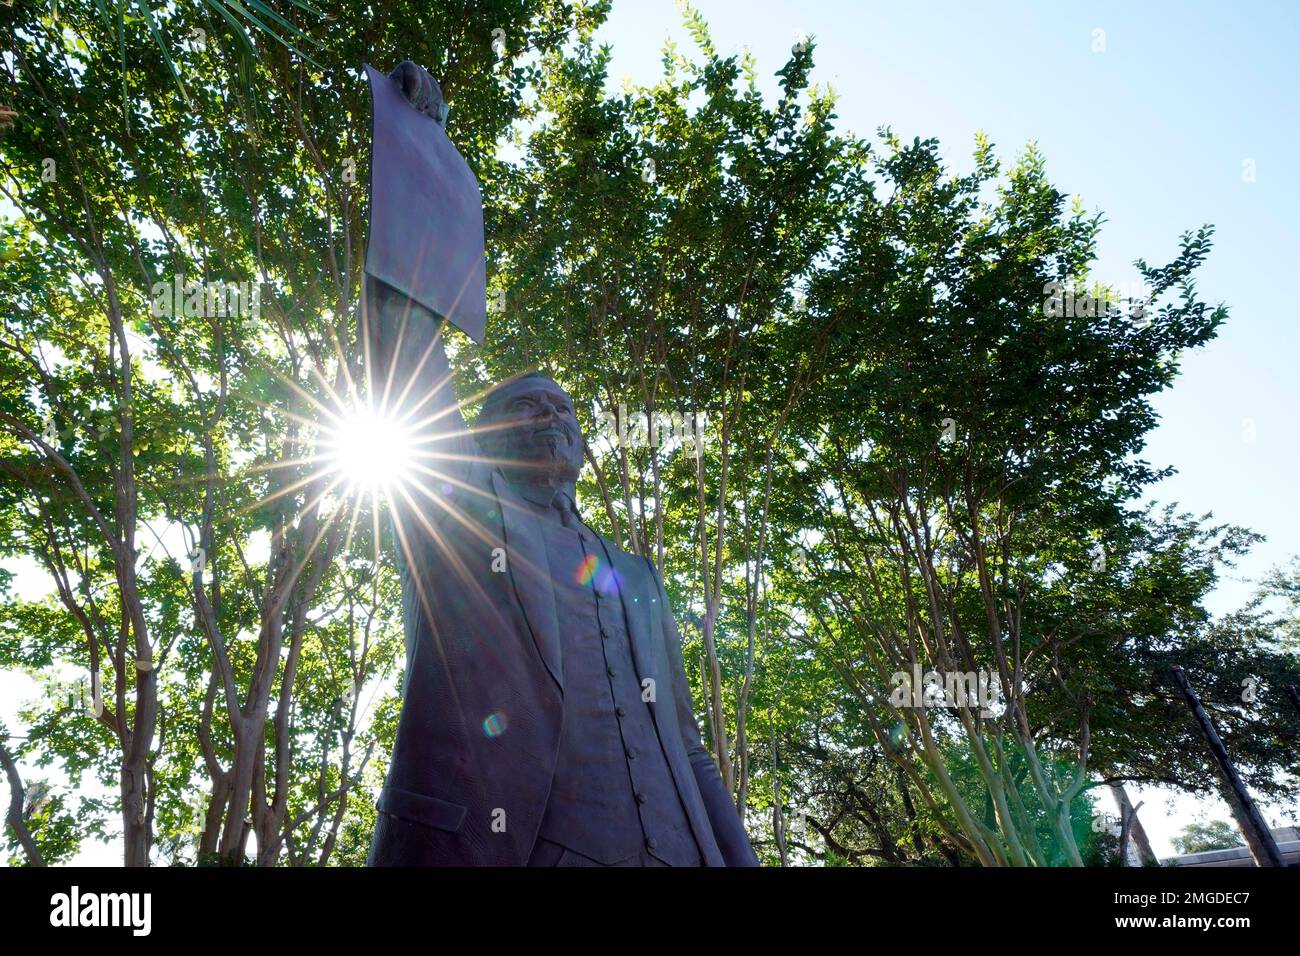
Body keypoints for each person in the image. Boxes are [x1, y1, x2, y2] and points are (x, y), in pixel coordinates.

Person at [363, 62, 759, 867]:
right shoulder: (460, 519)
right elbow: (402, 350)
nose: (550, 417)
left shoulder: (639, 578)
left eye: (563, 410)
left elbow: (689, 748)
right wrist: (419, 149)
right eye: (524, 407)